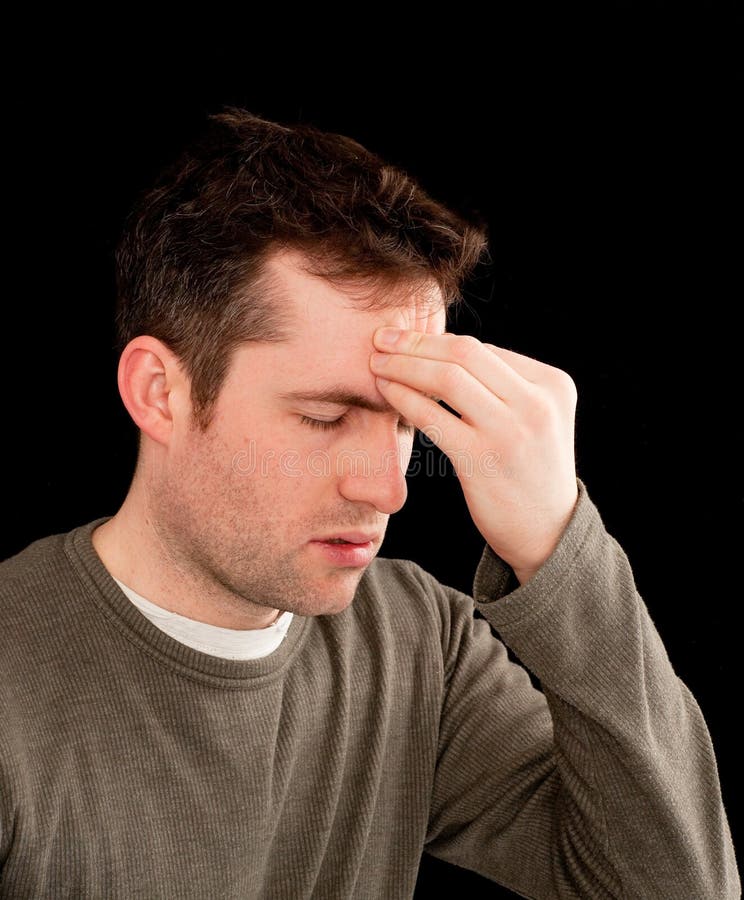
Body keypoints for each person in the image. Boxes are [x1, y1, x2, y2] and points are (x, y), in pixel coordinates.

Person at [0, 107, 738, 899]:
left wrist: (558, 543)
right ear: (160, 392)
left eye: (405, 425)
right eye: (324, 418)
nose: (388, 489)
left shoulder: (420, 643)